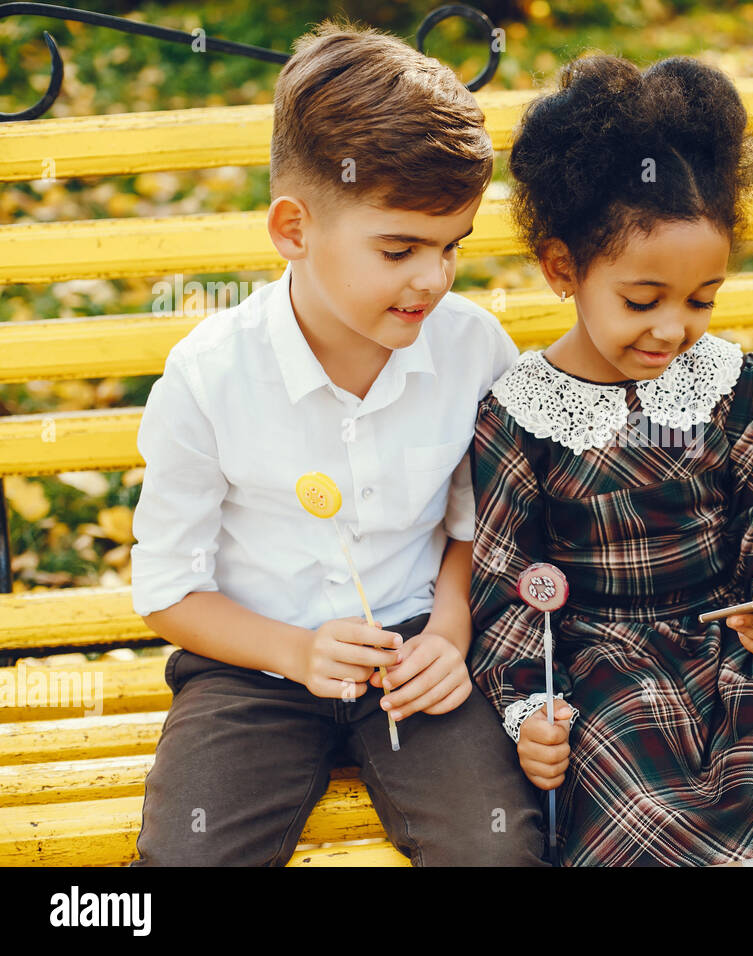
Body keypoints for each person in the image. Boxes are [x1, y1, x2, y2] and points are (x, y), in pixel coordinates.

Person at [468, 52, 753, 867]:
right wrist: (530, 707)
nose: (672, 328)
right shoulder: (521, 413)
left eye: (702, 299)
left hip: (741, 643)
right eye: (641, 300)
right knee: (645, 806)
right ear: (562, 269)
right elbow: (508, 589)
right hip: (607, 665)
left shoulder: (732, 385)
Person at [129, 20, 547, 866]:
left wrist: (450, 631)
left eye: (452, 246)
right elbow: (168, 591)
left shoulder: (473, 350)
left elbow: (476, 528)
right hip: (253, 669)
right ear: (294, 229)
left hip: (413, 655)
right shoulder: (209, 376)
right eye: (399, 249)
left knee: (496, 850)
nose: (433, 278)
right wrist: (295, 651)